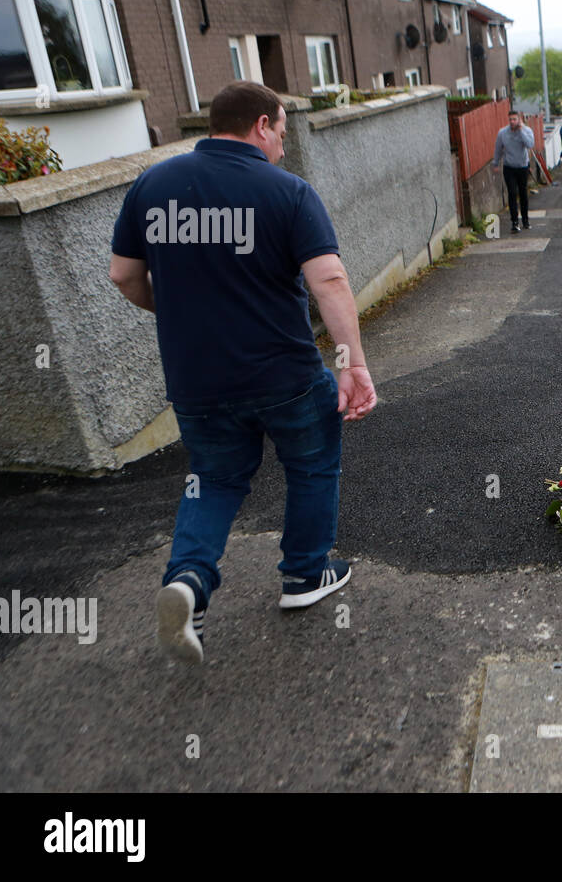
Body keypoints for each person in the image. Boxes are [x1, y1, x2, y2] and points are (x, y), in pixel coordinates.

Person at [108, 82, 377, 666]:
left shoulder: (153, 187)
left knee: (215, 478)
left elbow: (123, 275)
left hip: (197, 379)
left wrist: (175, 309)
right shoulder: (288, 192)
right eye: (281, 131)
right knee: (311, 464)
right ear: (261, 125)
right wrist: (352, 363)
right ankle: (305, 574)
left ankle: (189, 581)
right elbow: (328, 280)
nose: (282, 143)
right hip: (284, 373)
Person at [491, 109, 535, 233]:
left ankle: (525, 220)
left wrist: (521, 131)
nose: (512, 122)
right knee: (511, 192)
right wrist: (495, 163)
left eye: (514, 119)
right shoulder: (503, 133)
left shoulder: (526, 131)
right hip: (509, 166)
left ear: (519, 119)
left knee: (523, 193)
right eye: (510, 119)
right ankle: (514, 222)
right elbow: (498, 148)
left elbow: (530, 144)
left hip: (522, 166)